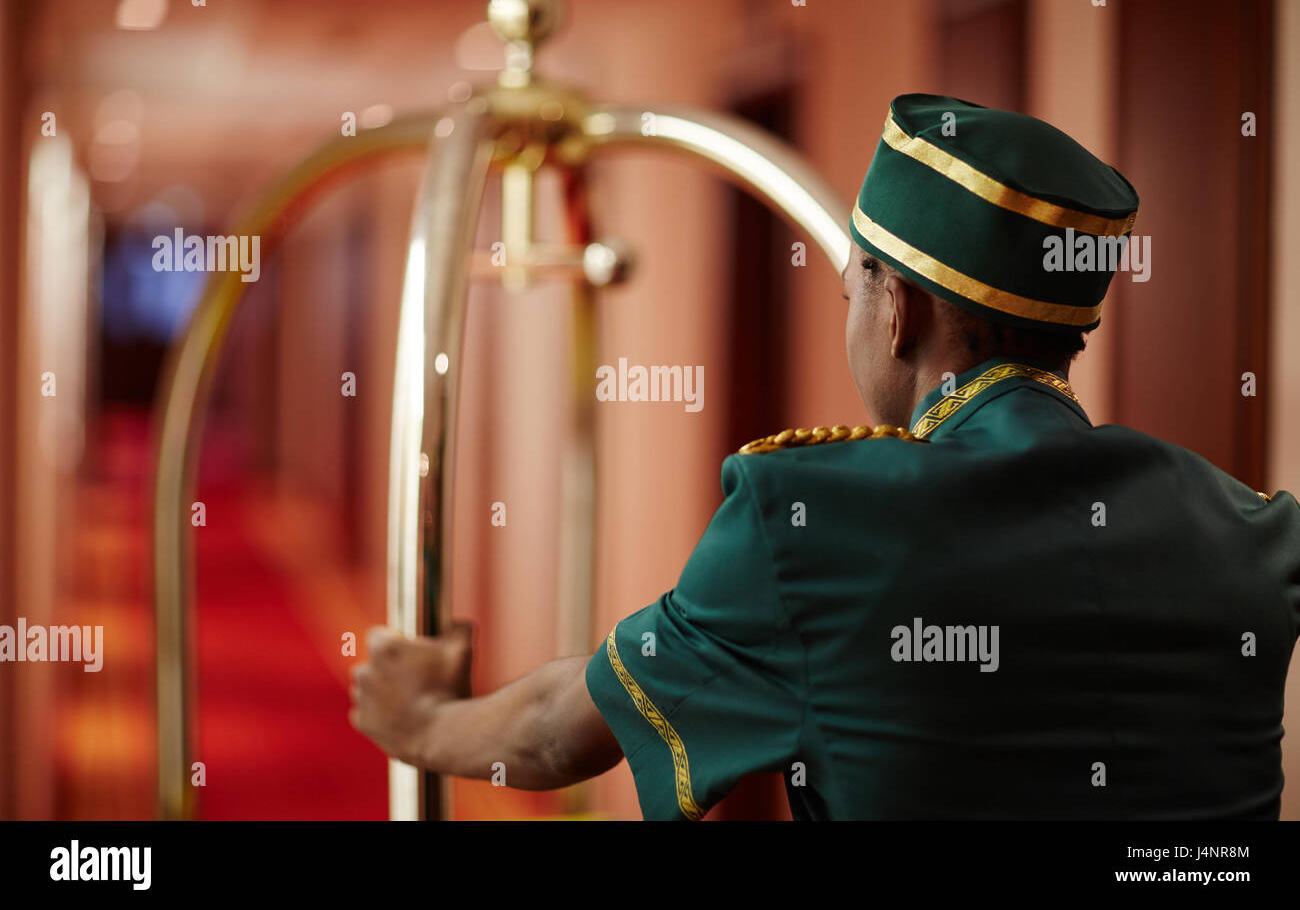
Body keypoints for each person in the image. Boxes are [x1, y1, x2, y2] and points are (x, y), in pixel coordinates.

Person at [350, 94, 1300, 819]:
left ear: (898, 312)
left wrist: (420, 723)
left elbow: (565, 731)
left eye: (854, 289)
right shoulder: (1250, 526)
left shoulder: (816, 521)